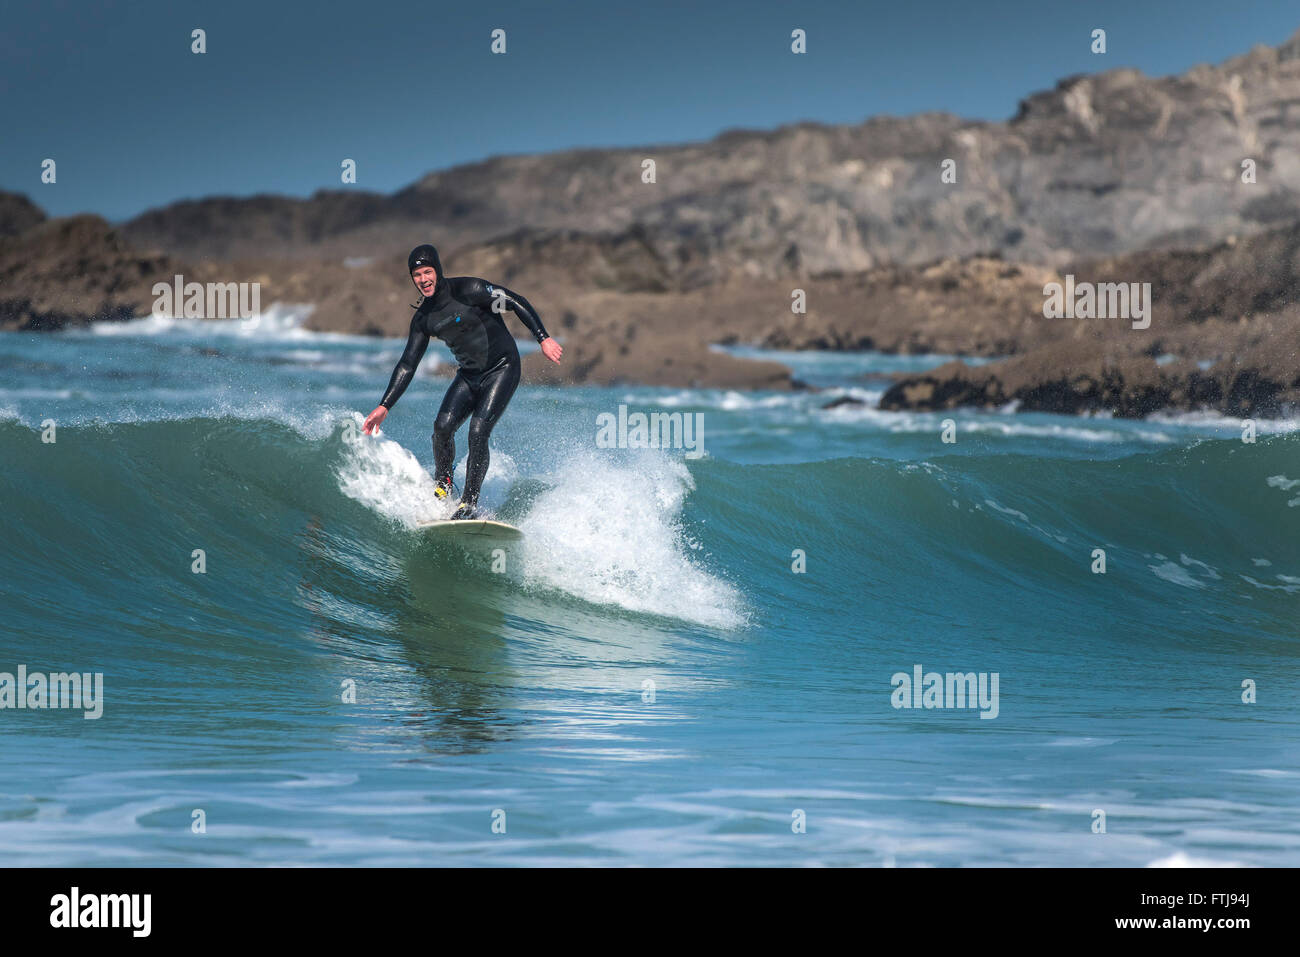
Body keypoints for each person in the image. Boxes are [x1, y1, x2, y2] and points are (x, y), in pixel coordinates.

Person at [363, 244, 563, 518]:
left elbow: (514, 301)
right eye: (417, 275)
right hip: (469, 375)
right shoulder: (424, 319)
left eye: (427, 272)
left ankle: (469, 504)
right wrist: (384, 405)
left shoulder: (470, 292)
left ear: (438, 270)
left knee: (478, 431)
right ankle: (444, 484)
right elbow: (408, 364)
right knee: (442, 427)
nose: (423, 279)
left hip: (502, 369)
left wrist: (543, 338)